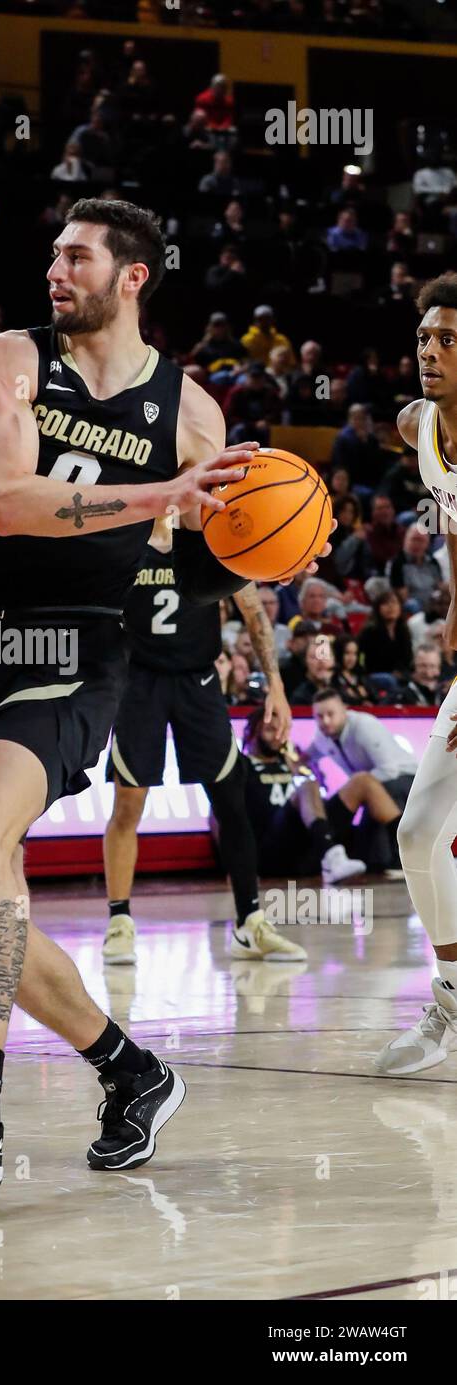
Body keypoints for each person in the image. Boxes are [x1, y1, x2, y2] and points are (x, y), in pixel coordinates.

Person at [0, 197, 332, 1188]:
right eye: (52, 255)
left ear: (131, 276)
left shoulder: (191, 414)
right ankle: (131, 1071)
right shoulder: (8, 358)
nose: (55, 271)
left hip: (77, 649)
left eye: (76, 257)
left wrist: (279, 547)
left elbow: (212, 562)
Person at [101, 519, 304, 967]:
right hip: (140, 685)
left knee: (232, 800)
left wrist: (276, 686)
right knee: (128, 803)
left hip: (199, 682)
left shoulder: (213, 542)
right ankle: (119, 920)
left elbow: (253, 612)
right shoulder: (125, 540)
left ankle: (250, 922)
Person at [369, 274, 457, 1073]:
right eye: (425, 339)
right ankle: (453, 1002)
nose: (429, 353)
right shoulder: (415, 426)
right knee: (419, 829)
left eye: (449, 342)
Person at [240, 706, 366, 885]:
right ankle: (332, 857)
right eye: (269, 730)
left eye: (280, 731)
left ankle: (409, 856)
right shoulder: (242, 766)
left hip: (304, 841)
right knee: (306, 786)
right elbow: (217, 817)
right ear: (251, 733)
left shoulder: (292, 762)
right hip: (270, 846)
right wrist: (234, 866)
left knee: (362, 781)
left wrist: (299, 769)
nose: (277, 736)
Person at [305, 688, 416, 872]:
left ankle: (400, 857)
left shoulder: (364, 726)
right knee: (366, 796)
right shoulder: (321, 737)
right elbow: (306, 757)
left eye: (330, 714)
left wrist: (359, 785)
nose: (325, 721)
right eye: (319, 716)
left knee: (380, 791)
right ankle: (379, 861)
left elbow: (390, 770)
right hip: (375, 782)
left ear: (344, 711)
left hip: (405, 779)